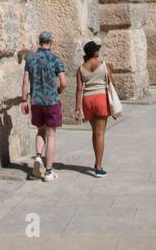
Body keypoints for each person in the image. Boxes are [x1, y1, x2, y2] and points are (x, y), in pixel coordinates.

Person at [21, 31, 66, 181]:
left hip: (36, 101)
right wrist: (58, 89)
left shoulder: (30, 58)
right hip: (51, 101)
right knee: (51, 134)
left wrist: (23, 99)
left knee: (40, 130)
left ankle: (38, 157)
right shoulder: (55, 58)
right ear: (50, 42)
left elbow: (25, 81)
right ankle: (48, 171)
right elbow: (63, 81)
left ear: (39, 41)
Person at [74, 39, 113, 177]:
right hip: (101, 98)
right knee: (100, 133)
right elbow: (110, 82)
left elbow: (79, 89)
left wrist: (78, 108)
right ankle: (99, 166)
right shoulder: (104, 65)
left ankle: (96, 161)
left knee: (94, 132)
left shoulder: (81, 68)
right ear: (95, 52)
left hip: (87, 100)